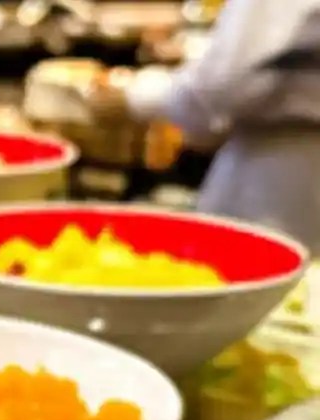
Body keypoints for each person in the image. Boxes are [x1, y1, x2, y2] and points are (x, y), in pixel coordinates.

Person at [90, 0, 320, 251]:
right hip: (290, 168)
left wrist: (134, 94)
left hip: (277, 179)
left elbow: (226, 86)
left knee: (262, 264)